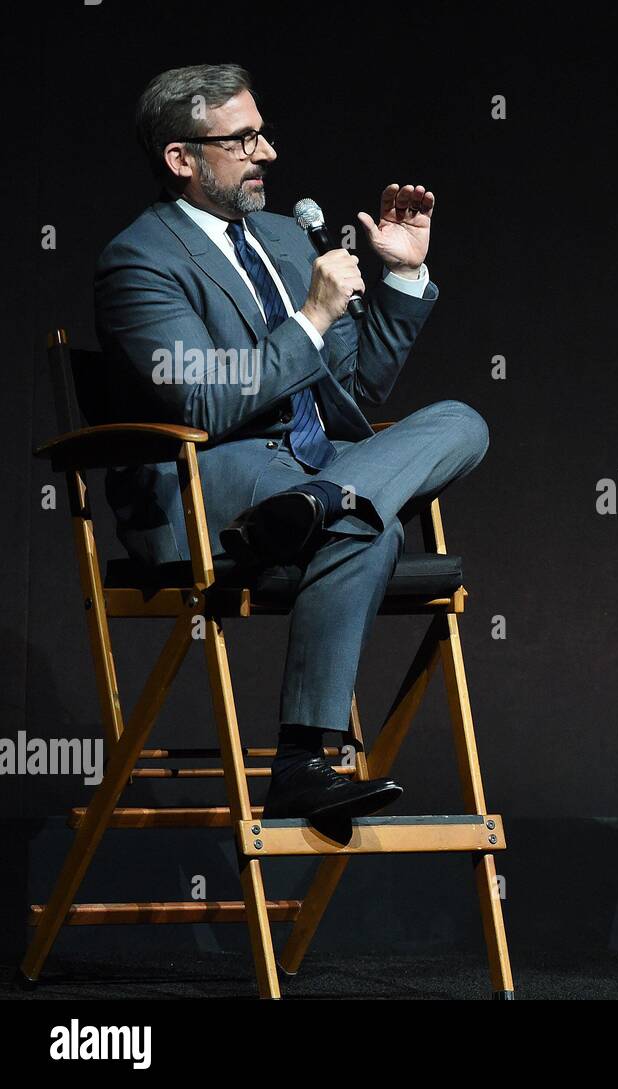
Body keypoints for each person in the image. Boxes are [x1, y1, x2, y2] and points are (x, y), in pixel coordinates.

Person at [95, 64, 490, 822]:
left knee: (461, 421)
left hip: (309, 472)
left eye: (264, 133)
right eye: (243, 139)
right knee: (364, 519)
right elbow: (201, 398)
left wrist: (402, 280)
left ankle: (318, 503)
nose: (267, 152)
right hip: (214, 468)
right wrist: (308, 317)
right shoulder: (139, 260)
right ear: (183, 159)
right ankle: (308, 756)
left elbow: (355, 392)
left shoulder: (280, 237)